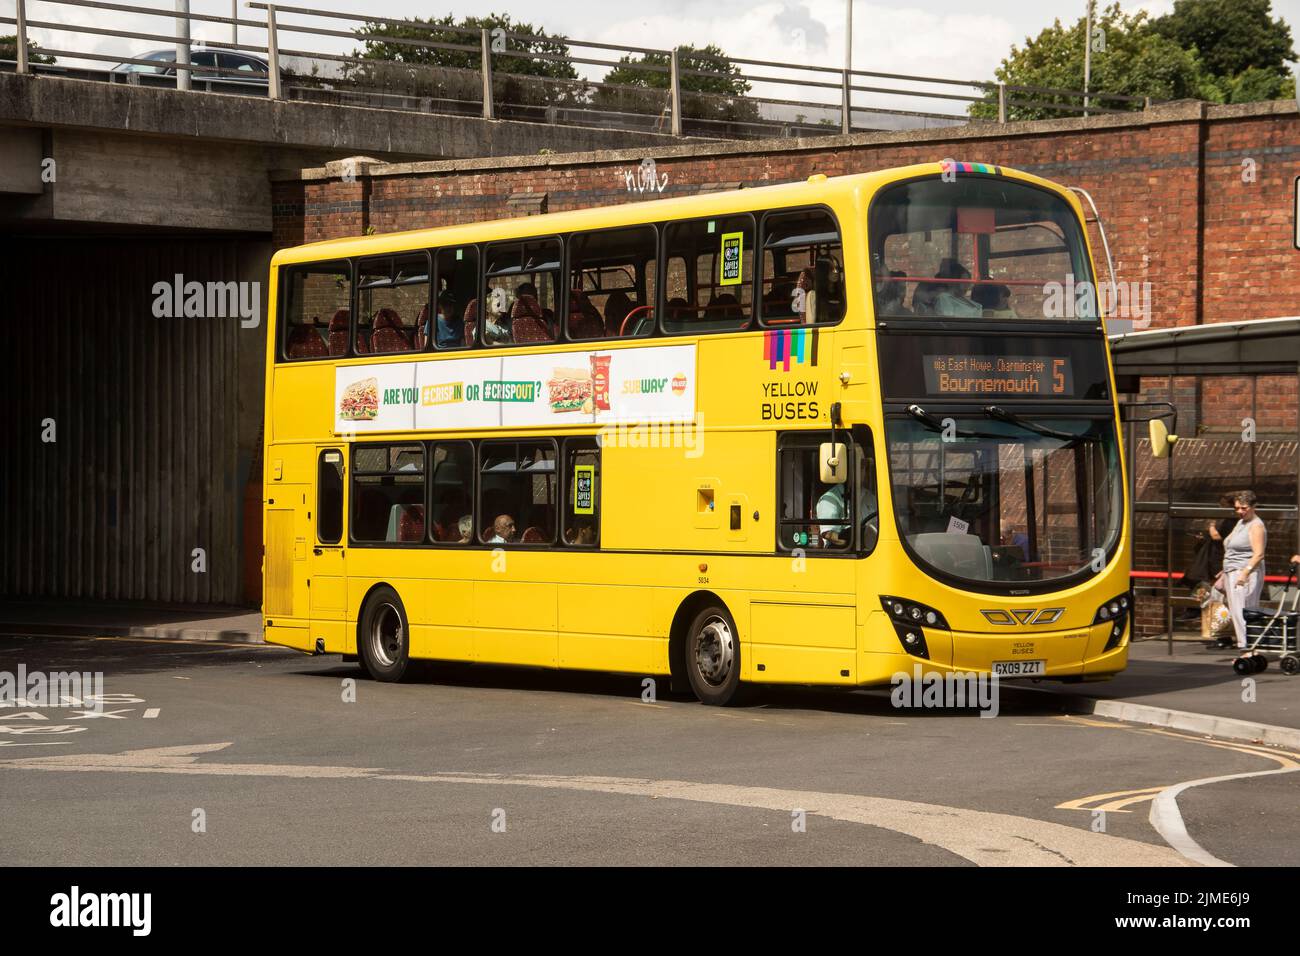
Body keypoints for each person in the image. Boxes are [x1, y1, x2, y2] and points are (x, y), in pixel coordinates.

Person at [1220, 491, 1267, 651]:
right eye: (1237, 508)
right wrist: (1224, 571)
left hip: (1245, 573)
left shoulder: (1256, 525)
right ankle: (1246, 648)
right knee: (1237, 612)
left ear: (1254, 506)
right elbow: (1230, 546)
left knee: (1244, 612)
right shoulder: (1241, 523)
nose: (1240, 511)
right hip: (1232, 570)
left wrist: (1245, 573)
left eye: (1244, 508)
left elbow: (1259, 554)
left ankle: (1248, 649)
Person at [816, 453, 876, 547]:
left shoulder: (871, 498)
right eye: (856, 466)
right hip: (845, 555)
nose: (861, 471)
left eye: (863, 466)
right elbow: (829, 534)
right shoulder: (830, 499)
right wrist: (852, 542)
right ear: (846, 470)